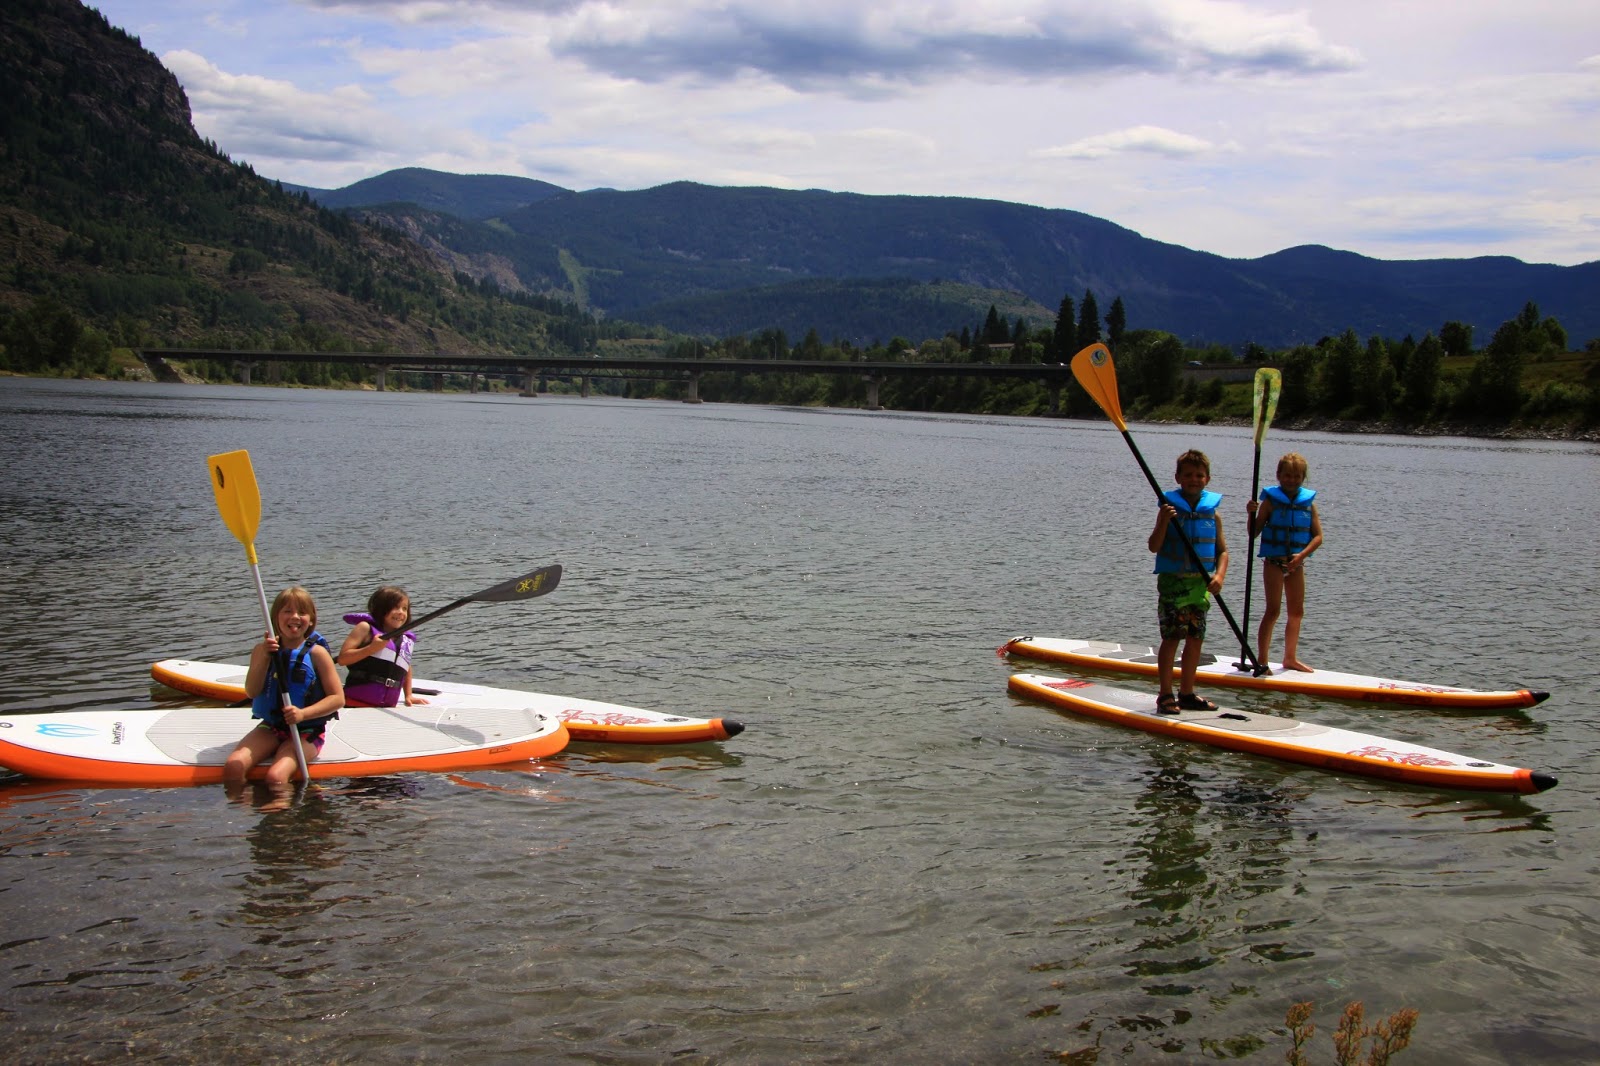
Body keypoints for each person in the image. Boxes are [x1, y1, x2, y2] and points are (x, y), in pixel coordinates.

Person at [224, 586, 345, 789]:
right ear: (275, 617)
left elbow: (338, 699)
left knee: (276, 777)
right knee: (233, 768)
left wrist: (302, 714)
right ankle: (240, 812)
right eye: (287, 611)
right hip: (272, 727)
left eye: (302, 612)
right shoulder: (261, 651)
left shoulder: (318, 654)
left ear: (311, 620)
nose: (295, 617)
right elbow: (252, 692)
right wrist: (264, 656)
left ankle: (283, 817)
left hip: (308, 730)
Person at [1148, 449, 1230, 714]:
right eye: (1188, 475)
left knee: (1195, 640)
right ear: (1178, 478)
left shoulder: (1212, 515)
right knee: (1172, 638)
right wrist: (1162, 521)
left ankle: (1187, 693)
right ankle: (1164, 694)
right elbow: (1153, 546)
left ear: (1207, 478)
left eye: (1199, 475)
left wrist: (1219, 576)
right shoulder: (1169, 511)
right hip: (1174, 584)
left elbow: (1222, 551)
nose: (1193, 479)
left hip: (1200, 588)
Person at [1246, 452, 1324, 672]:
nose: (1292, 480)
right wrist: (1250, 514)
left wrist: (1301, 556)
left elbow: (1318, 537)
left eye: (1297, 476)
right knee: (1273, 611)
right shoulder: (1270, 502)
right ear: (1279, 475)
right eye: (1287, 475)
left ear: (1303, 477)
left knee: (1297, 612)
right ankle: (1262, 660)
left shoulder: (1309, 504)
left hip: (1296, 564)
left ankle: (1290, 658)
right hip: (1274, 563)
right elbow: (1254, 533)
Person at [337, 586, 427, 707]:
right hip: (355, 703)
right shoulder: (365, 628)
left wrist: (408, 695)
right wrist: (371, 649)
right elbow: (343, 659)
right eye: (395, 607)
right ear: (381, 609)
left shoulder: (404, 640)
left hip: (387, 707)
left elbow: (405, 667)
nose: (401, 612)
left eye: (404, 608)